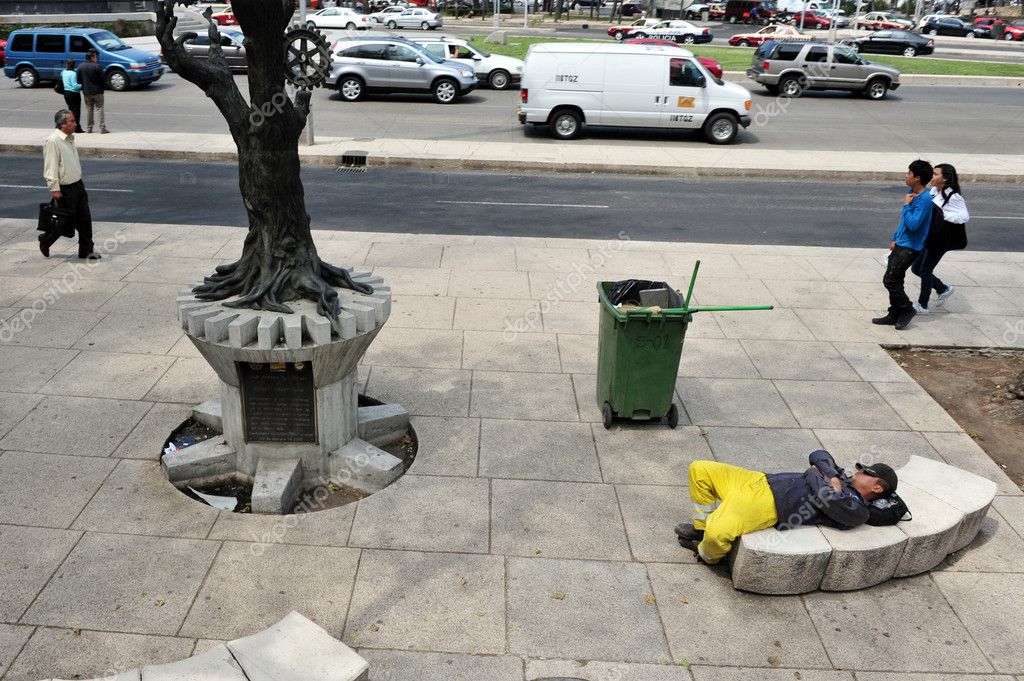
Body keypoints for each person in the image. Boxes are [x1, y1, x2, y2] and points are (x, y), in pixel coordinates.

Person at [675, 451, 897, 565]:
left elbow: (823, 495)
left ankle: (707, 555)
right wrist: (830, 474)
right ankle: (700, 528)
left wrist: (814, 473)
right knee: (700, 469)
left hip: (769, 503)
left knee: (718, 534)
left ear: (877, 488)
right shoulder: (840, 479)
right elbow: (819, 455)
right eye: (860, 468)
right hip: (758, 479)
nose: (858, 471)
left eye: (866, 472)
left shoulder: (857, 509)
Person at [872, 159, 933, 331]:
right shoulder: (912, 193)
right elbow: (904, 224)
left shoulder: (924, 199)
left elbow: (914, 225)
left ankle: (907, 309)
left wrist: (906, 206)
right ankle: (894, 313)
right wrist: (895, 238)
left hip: (910, 247)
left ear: (917, 178)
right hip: (901, 243)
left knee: (889, 280)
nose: (905, 176)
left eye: (909, 173)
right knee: (897, 279)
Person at [41, 110, 100, 260]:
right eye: (72, 121)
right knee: (64, 222)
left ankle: (86, 250)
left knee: (85, 220)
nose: (75, 124)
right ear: (62, 125)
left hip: (78, 185)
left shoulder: (69, 138)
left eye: (74, 121)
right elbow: (50, 166)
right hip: (65, 189)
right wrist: (54, 188)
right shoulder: (53, 141)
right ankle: (46, 240)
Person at [911, 163, 968, 313]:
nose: (932, 176)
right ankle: (943, 289)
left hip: (941, 240)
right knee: (916, 268)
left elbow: (964, 216)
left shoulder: (954, 196)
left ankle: (922, 305)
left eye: (935, 174)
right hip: (931, 236)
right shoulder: (934, 191)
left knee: (925, 270)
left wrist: (943, 214)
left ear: (945, 178)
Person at [76, 49, 109, 134]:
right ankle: (102, 128)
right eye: (95, 56)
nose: (96, 58)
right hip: (98, 91)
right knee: (100, 108)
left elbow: (78, 80)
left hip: (87, 92)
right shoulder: (97, 66)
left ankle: (89, 128)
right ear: (92, 57)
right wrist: (102, 89)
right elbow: (103, 80)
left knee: (89, 109)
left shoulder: (80, 66)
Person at [61, 60, 84, 134]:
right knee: (76, 112)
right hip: (74, 93)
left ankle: (70, 127)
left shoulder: (63, 72)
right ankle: (77, 128)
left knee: (70, 111)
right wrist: (82, 85)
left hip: (66, 93)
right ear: (74, 65)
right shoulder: (73, 73)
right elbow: (75, 86)